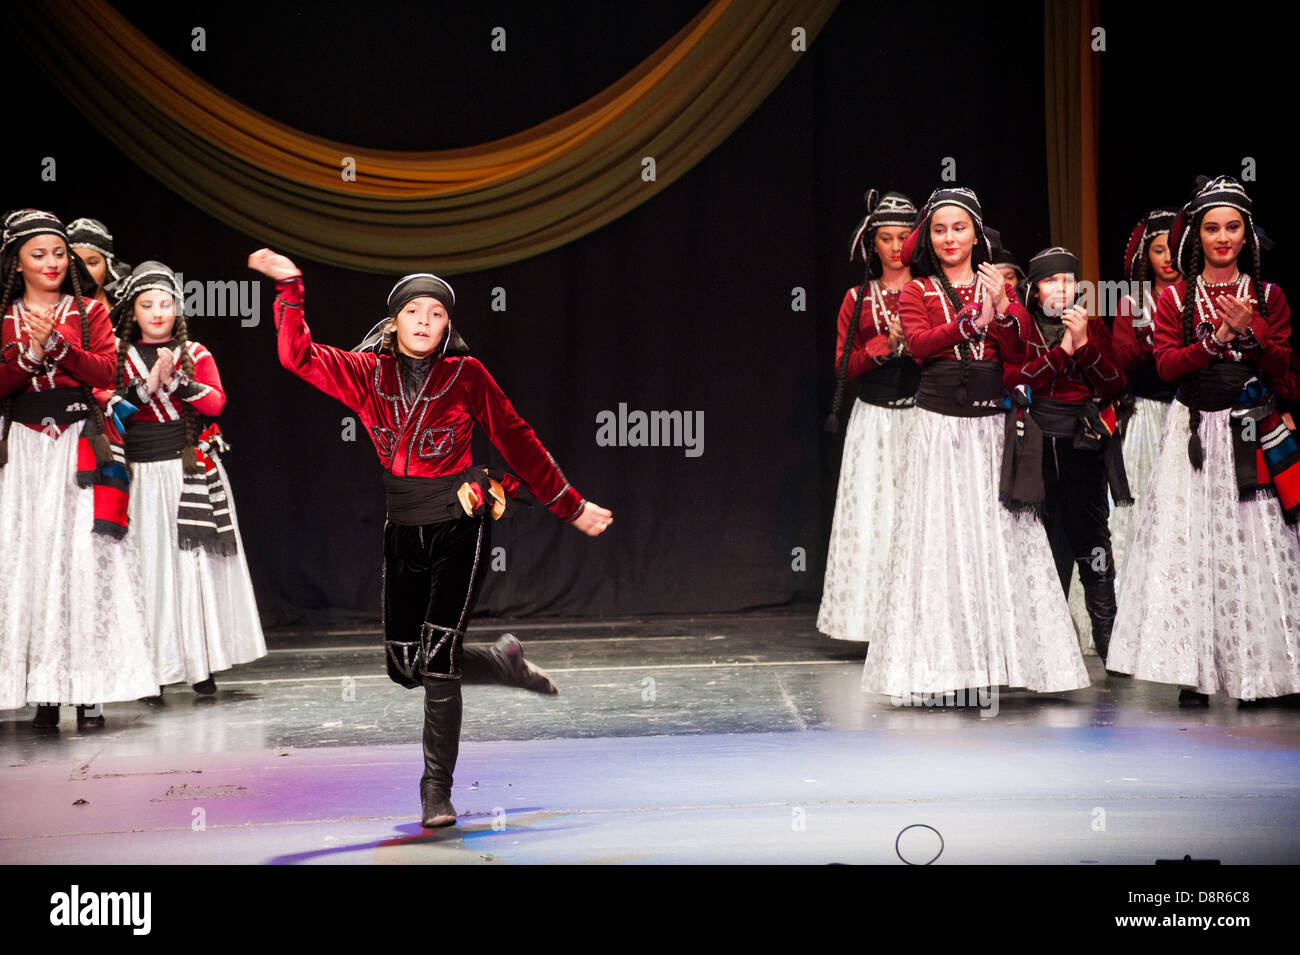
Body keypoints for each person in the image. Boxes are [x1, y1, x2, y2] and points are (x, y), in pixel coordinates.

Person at [248, 248, 612, 827]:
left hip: (458, 525)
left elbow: (518, 440)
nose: (423, 320)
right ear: (393, 321)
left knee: (438, 660)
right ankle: (501, 663)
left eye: (436, 313)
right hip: (402, 529)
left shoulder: (467, 376)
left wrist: (570, 506)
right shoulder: (367, 374)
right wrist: (290, 287)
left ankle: (435, 792)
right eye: (413, 311)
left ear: (448, 325)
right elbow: (297, 357)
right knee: (403, 665)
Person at [861, 188, 1088, 700]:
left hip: (991, 427)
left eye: (959, 228)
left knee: (1001, 539)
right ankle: (942, 669)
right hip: (940, 428)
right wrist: (971, 322)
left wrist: (1004, 308)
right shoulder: (916, 291)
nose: (949, 238)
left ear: (977, 234)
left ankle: (1005, 659)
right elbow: (918, 346)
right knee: (940, 540)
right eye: (939, 230)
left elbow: (1019, 351)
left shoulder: (997, 286)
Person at [1108, 176, 1300, 705]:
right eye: (1212, 228)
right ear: (1198, 235)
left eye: (1232, 227)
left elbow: (1285, 370)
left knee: (1252, 547)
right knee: (1191, 546)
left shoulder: (1269, 296)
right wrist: (1214, 339)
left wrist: (1255, 330)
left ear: (1246, 236)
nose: (1222, 237)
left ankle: (1256, 675)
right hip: (1194, 432)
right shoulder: (1175, 297)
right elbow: (1167, 365)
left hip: (1250, 426)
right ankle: (1194, 672)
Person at [0, 209, 157, 727]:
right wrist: (29, 356)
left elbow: (104, 370)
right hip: (24, 451)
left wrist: (60, 346)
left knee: (82, 562)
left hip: (75, 445)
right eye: (38, 254)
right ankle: (44, 693)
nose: (51, 262)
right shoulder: (4, 317)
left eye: (59, 253)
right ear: (16, 262)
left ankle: (88, 689)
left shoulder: (90, 311)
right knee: (35, 561)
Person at [102, 261, 266, 697]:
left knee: (192, 569)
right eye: (147, 304)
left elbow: (215, 404)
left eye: (166, 303)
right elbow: (111, 412)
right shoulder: (119, 357)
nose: (158, 312)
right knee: (148, 568)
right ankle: (151, 669)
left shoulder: (196, 354)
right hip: (140, 476)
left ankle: (199, 664)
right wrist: (145, 388)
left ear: (178, 308)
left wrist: (173, 382)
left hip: (185, 470)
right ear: (131, 311)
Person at [991, 247, 1129, 669]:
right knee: (1045, 542)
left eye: (1069, 280)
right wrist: (1063, 354)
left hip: (1083, 441)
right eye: (1052, 280)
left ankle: (1108, 641)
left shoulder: (1092, 324)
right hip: (1035, 442)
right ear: (1034, 291)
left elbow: (1116, 383)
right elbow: (1015, 380)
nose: (1062, 288)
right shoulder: (1023, 326)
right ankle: (1048, 646)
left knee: (1092, 539)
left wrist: (1084, 345)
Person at [818, 190, 919, 642]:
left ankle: (919, 621)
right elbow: (843, 367)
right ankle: (873, 623)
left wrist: (915, 343)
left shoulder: (932, 293)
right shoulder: (856, 298)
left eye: (904, 238)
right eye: (886, 239)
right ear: (871, 245)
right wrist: (882, 347)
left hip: (924, 417)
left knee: (919, 516)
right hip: (874, 422)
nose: (896, 247)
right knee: (875, 517)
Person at [1111, 208, 1181, 572]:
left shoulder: (1195, 297)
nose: (1168, 257)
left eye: (1173, 247)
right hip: (1149, 414)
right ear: (1146, 257)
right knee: (1145, 499)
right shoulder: (1133, 303)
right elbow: (1120, 360)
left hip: (1192, 414)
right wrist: (1150, 339)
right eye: (1158, 250)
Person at [68, 218, 130, 312]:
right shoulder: (57, 308)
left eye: (92, 263)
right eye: (77, 263)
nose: (85, 271)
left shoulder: (124, 305)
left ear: (107, 266)